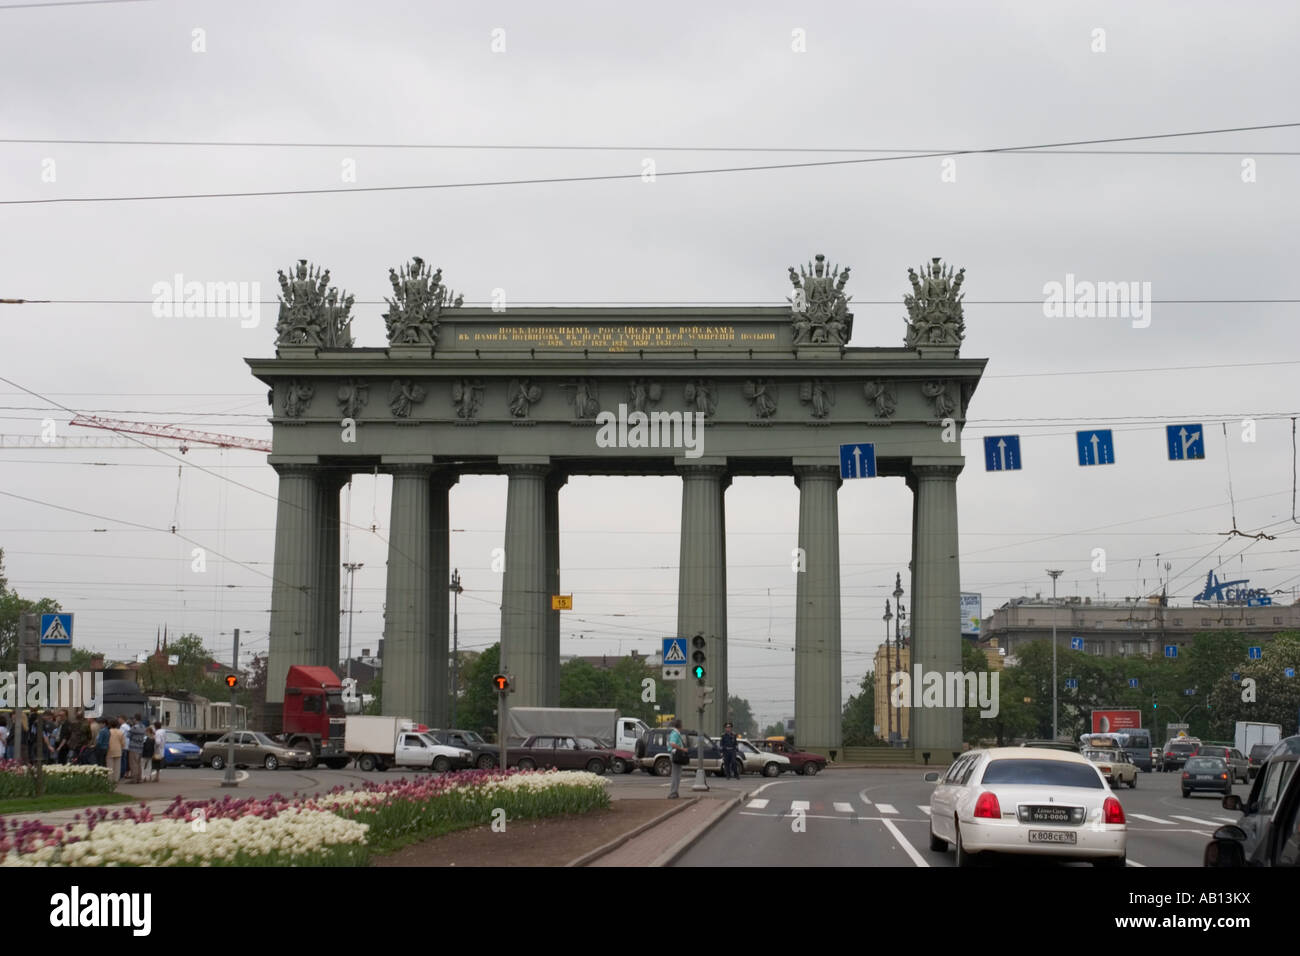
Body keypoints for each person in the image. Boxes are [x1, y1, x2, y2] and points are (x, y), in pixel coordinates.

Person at [667, 719, 687, 799]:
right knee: (676, 775)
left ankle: (675, 792)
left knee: (677, 775)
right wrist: (682, 749)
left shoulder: (675, 733)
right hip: (676, 755)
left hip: (676, 754)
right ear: (680, 726)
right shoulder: (675, 734)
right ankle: (673, 792)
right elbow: (672, 743)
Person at [126, 713, 146, 784]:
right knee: (138, 764)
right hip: (140, 748)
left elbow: (128, 735)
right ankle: (139, 778)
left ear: (135, 719)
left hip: (133, 748)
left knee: (133, 763)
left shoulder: (134, 727)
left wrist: (131, 725)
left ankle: (134, 779)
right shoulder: (143, 727)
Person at [106, 718, 125, 784]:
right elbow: (123, 743)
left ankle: (109, 780)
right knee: (117, 767)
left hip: (109, 750)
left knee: (110, 766)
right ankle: (116, 780)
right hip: (118, 750)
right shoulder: (120, 732)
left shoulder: (108, 731)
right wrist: (121, 747)